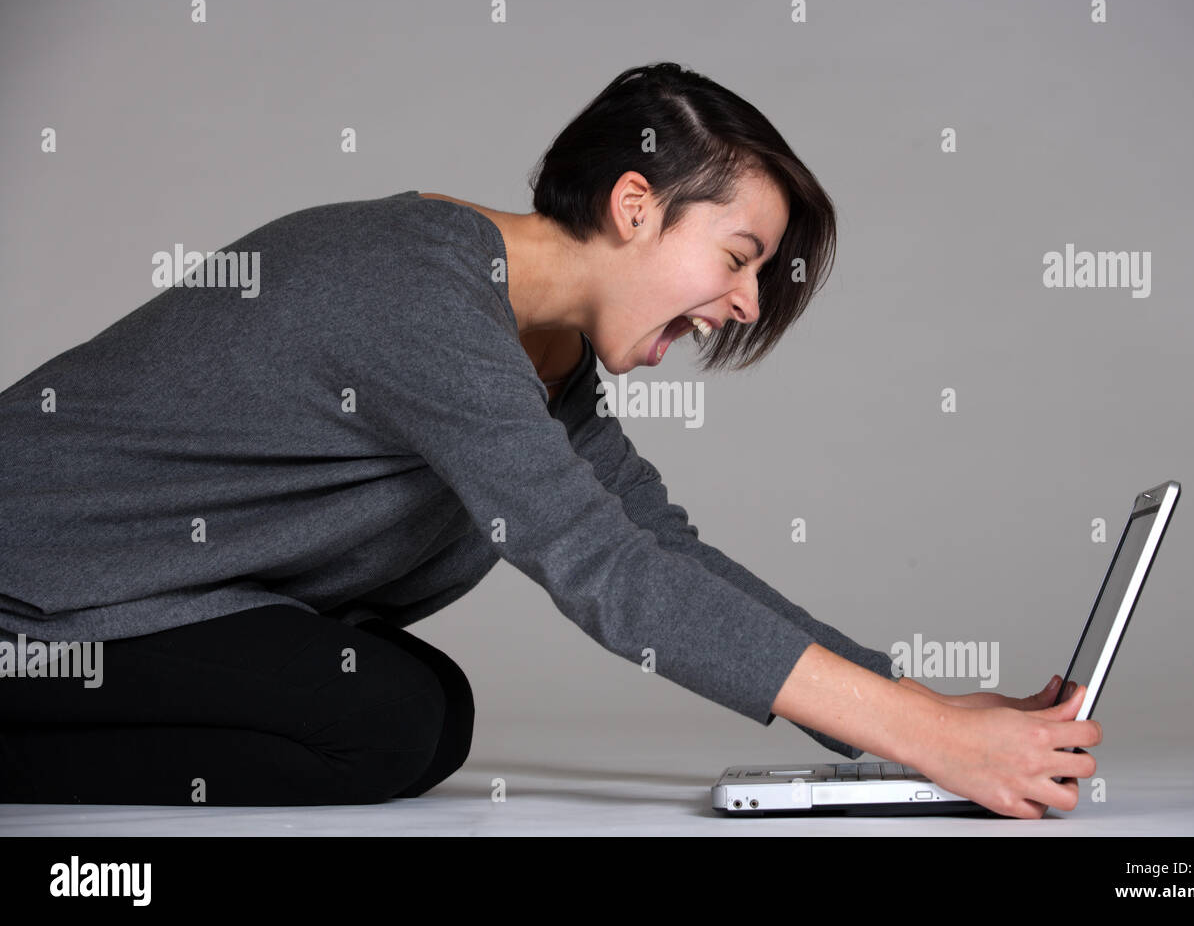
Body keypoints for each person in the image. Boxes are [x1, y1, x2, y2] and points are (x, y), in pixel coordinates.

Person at [0, 62, 1098, 816]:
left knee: (411, 715)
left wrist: (908, 705)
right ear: (635, 203)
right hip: (31, 593)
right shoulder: (417, 288)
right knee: (385, 716)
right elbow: (607, 574)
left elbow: (662, 548)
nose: (747, 303)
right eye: (737, 254)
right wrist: (922, 738)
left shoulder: (543, 353)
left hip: (143, 607)